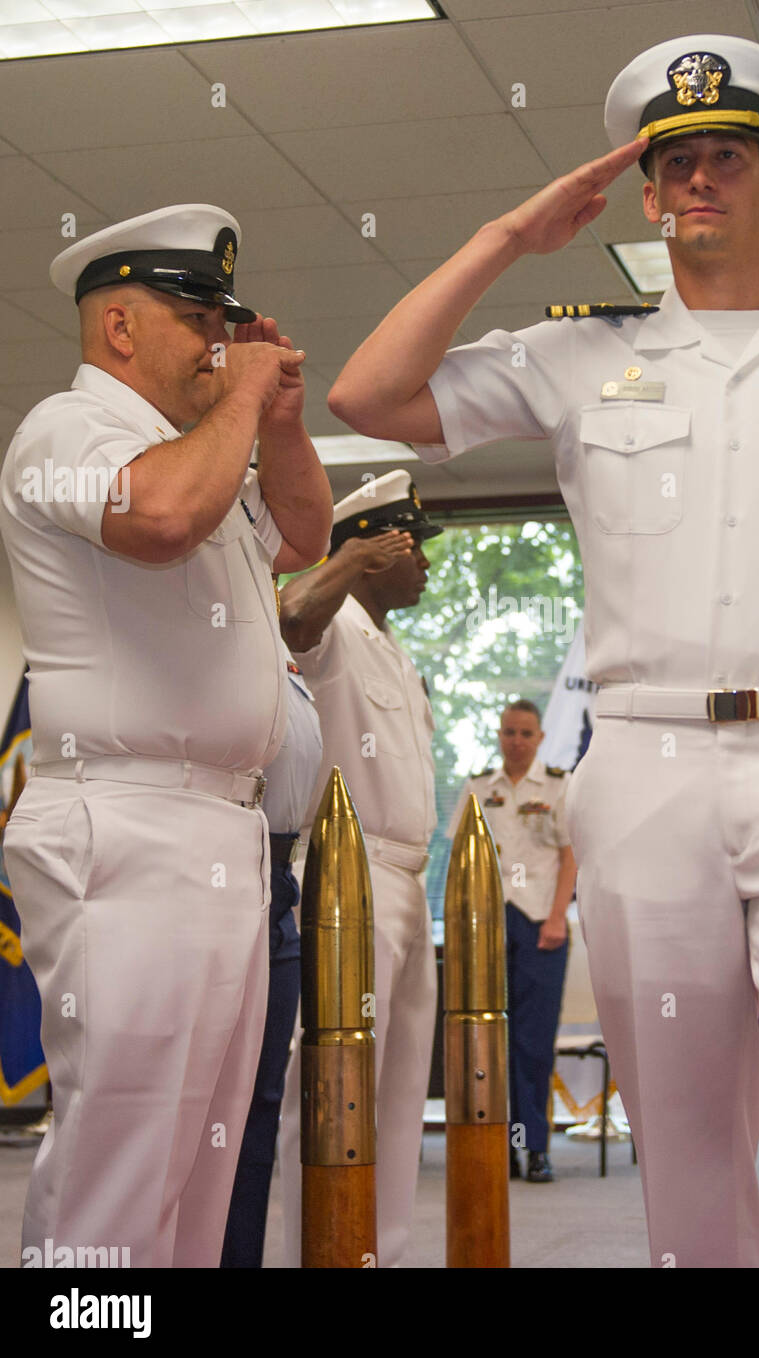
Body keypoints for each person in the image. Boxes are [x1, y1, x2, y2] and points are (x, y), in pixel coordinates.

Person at [323, 35, 759, 1268]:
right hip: (644, 771)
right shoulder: (575, 353)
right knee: (686, 1148)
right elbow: (368, 399)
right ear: (644, 195)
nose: (700, 180)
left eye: (728, 159)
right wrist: (503, 240)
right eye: (676, 163)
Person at [0, 204, 332, 1268]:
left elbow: (306, 533)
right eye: (197, 318)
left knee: (199, 1163)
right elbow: (156, 522)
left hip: (219, 831)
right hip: (123, 821)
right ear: (121, 331)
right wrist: (238, 398)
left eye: (225, 320)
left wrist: (273, 415)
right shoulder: (66, 429)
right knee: (123, 1157)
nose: (219, 341)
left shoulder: (196, 451)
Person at [279, 468, 442, 1267]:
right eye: (414, 548)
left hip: (408, 880)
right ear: (376, 550)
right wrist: (347, 559)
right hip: (351, 876)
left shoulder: (397, 655)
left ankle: (380, 1250)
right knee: (335, 1086)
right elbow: (289, 616)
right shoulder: (337, 625)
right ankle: (317, 1248)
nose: (427, 565)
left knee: (400, 1090)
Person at [220, 640, 323, 1268]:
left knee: (258, 1103)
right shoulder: (217, 612)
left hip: (278, 878)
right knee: (201, 1103)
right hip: (220, 863)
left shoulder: (276, 642)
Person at [449, 699, 575, 1183]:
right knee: (488, 1042)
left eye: (526, 733)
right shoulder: (480, 789)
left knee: (533, 1043)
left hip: (541, 923)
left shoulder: (559, 786)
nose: (517, 741)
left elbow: (571, 856)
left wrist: (558, 918)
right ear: (498, 736)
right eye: (509, 732)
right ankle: (499, 1146)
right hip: (488, 924)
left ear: (540, 737)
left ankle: (535, 1147)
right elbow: (460, 849)